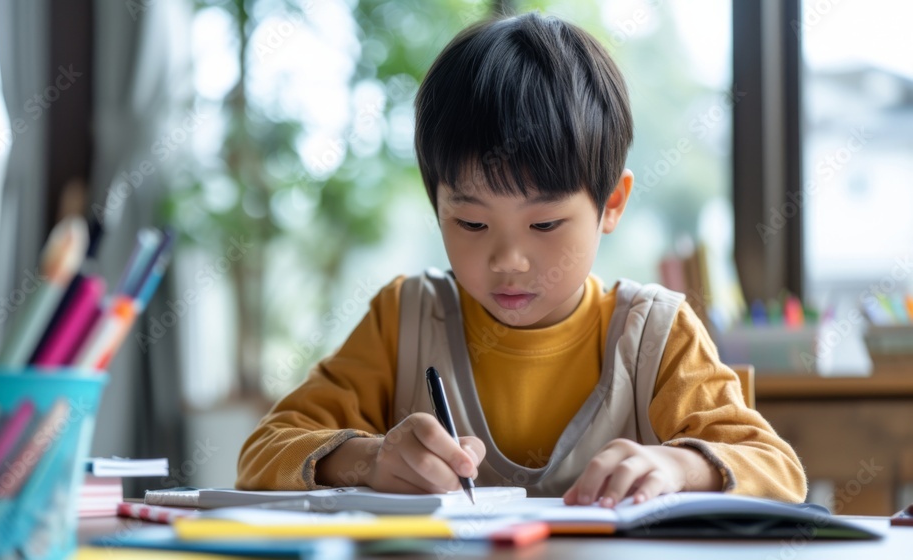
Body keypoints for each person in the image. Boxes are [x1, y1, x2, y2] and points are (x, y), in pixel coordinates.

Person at [237, 11, 807, 506]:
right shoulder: (404, 318)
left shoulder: (655, 335)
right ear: (436, 205)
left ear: (612, 204)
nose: (508, 259)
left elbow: (778, 470)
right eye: (471, 223)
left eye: (545, 223)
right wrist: (369, 459)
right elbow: (263, 452)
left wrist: (680, 467)